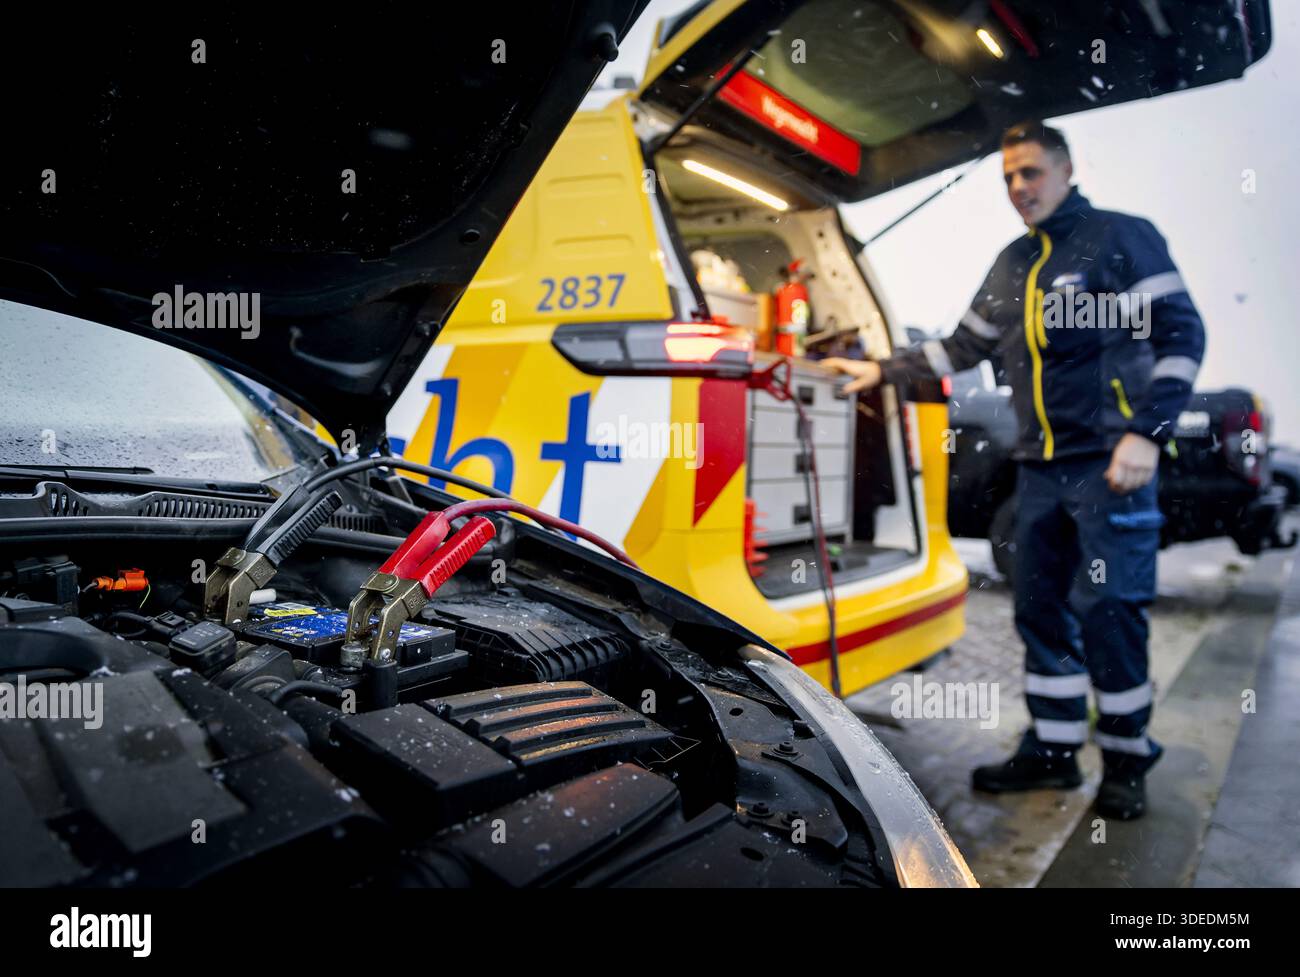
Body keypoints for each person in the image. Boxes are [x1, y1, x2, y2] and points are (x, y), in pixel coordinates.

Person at [823, 121, 1205, 820]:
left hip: (1108, 465)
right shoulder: (1012, 263)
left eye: (1030, 172)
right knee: (1037, 609)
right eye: (1006, 178)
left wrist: (1146, 435)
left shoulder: (1121, 238)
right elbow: (958, 349)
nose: (1018, 188)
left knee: (1111, 610)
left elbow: (1184, 334)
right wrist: (877, 369)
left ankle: (1127, 758)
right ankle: (1053, 753)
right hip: (1037, 470)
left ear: (1065, 169)